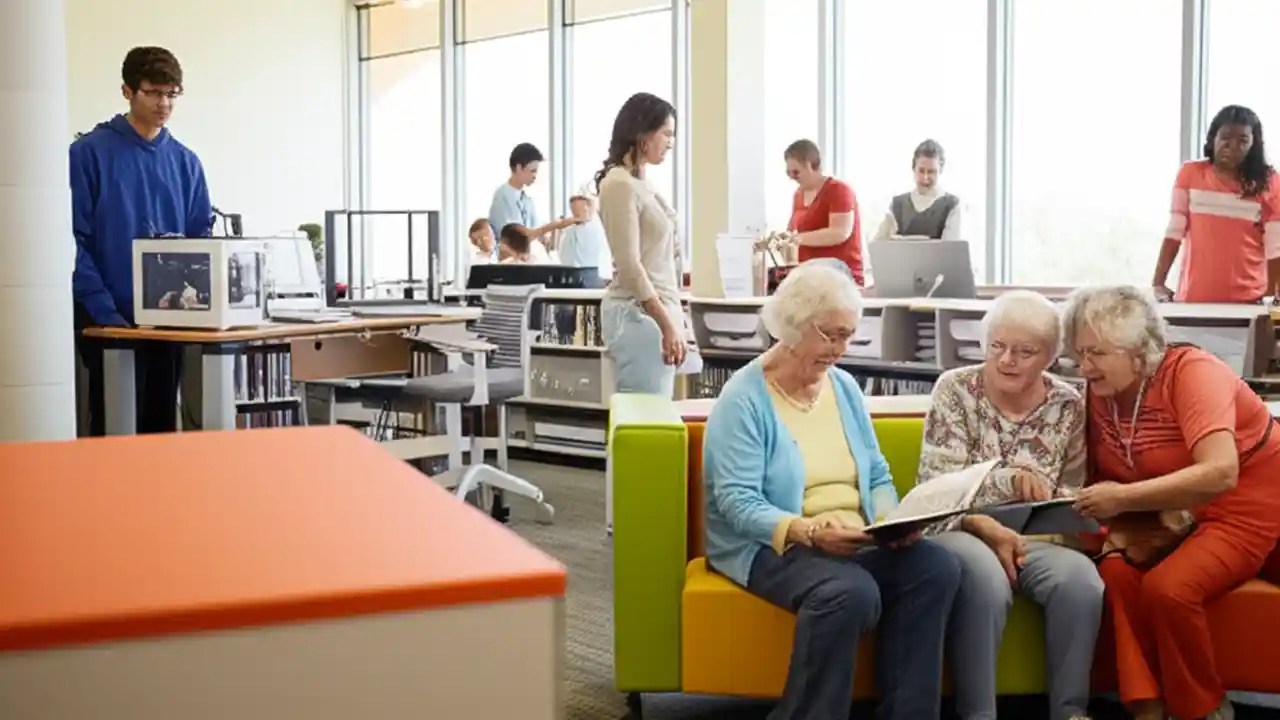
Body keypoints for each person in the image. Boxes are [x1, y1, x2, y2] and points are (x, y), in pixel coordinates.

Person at [703, 261, 960, 720]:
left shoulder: (843, 388)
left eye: (848, 336)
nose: (841, 349)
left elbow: (877, 474)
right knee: (849, 592)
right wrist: (809, 532)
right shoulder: (742, 399)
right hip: (772, 544)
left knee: (935, 566)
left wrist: (887, 521)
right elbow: (738, 504)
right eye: (831, 335)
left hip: (854, 536)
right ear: (793, 326)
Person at [1067, 285, 1280, 720]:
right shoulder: (1102, 391)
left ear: (1137, 350)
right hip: (1160, 511)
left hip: (1239, 505)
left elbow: (1221, 472)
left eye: (1097, 354)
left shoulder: (1193, 373)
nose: (1084, 367)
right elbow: (1101, 473)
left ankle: (1200, 707)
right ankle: (1146, 702)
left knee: (1171, 588)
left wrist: (1123, 499)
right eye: (1079, 354)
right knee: (1115, 570)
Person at [918, 290, 1102, 720]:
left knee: (1081, 582)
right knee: (987, 581)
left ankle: (1070, 712)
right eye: (997, 346)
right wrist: (1008, 481)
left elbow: (1070, 490)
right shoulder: (956, 389)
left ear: (1051, 358)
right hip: (961, 529)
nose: (1006, 361)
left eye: (1025, 351)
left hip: (1036, 535)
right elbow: (937, 487)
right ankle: (978, 714)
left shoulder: (1068, 405)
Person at [72, 46, 213, 436]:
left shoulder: (186, 162)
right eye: (153, 92)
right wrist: (104, 313)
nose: (164, 103)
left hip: (167, 321)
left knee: (160, 428)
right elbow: (72, 243)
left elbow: (200, 241)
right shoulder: (88, 155)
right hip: (107, 320)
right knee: (111, 428)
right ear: (127, 91)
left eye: (172, 93)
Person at [596, 92, 685, 396]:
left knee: (654, 420)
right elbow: (630, 265)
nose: (671, 142)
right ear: (642, 133)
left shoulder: (638, 184)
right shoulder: (618, 185)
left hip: (656, 314)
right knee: (644, 420)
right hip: (639, 317)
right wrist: (667, 324)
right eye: (667, 133)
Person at [1152, 105, 1279, 303]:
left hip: (1250, 302)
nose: (1232, 147)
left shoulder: (1269, 181)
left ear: (1254, 144)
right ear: (1213, 139)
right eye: (1225, 138)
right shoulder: (1190, 173)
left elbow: (1275, 246)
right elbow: (1174, 231)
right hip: (1194, 300)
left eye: (1243, 140)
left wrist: (1272, 295)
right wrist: (1158, 282)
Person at [781, 139, 864, 285]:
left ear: (813, 165)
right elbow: (792, 233)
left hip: (839, 279)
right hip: (809, 277)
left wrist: (796, 239)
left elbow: (839, 233)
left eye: (796, 172)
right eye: (789, 173)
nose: (792, 178)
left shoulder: (839, 190)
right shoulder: (798, 195)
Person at [872, 139, 962, 242]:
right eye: (921, 170)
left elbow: (950, 250)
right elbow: (877, 245)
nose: (925, 177)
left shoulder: (951, 205)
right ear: (914, 169)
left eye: (931, 172)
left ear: (940, 171)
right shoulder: (898, 205)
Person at [488, 142, 577, 246]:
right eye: (532, 171)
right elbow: (517, 239)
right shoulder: (502, 197)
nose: (535, 176)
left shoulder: (526, 199)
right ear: (518, 167)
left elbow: (535, 234)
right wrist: (554, 225)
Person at [557, 194, 609, 288]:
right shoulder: (568, 229)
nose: (576, 211)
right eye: (573, 209)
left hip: (592, 273)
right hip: (569, 272)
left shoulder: (597, 227)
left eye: (580, 208)